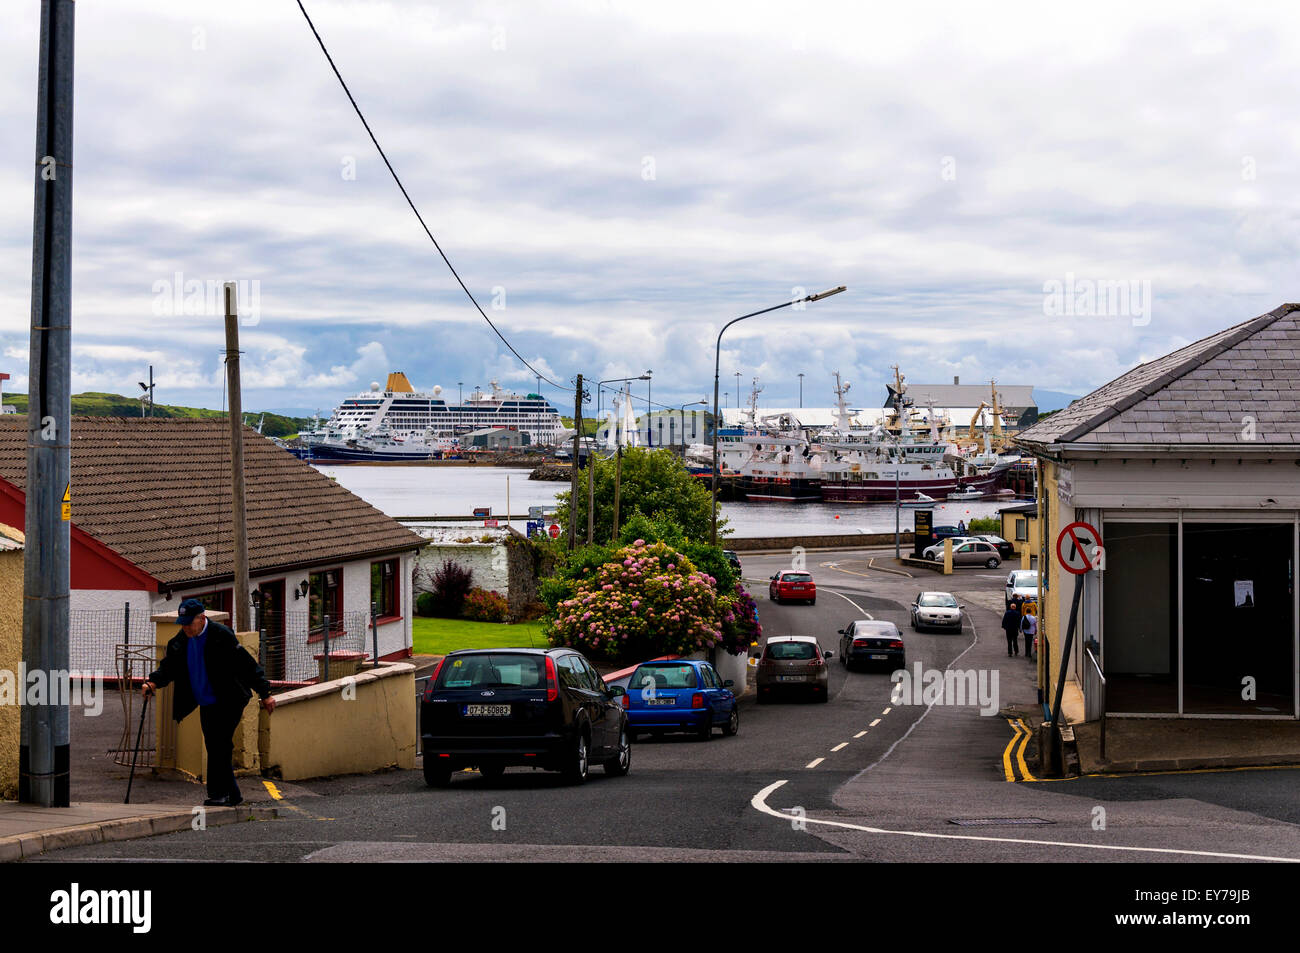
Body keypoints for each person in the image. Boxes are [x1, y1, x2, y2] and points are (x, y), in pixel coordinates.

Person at [142, 598, 275, 807]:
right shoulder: (183, 639)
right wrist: (153, 682)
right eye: (182, 622)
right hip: (206, 701)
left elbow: (246, 665)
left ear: (202, 618)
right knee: (217, 746)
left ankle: (218, 794)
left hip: (229, 699)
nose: (185, 627)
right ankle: (233, 794)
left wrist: (265, 692)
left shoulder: (221, 636)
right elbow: (170, 666)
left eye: (189, 622)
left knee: (218, 744)